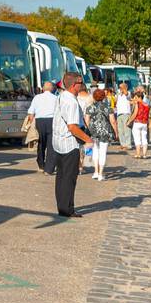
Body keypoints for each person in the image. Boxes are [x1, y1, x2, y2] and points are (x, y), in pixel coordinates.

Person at [49, 72, 92, 217]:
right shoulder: (72, 102)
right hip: (69, 143)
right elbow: (73, 127)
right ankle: (68, 208)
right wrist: (88, 139)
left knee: (61, 177)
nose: (82, 85)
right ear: (74, 85)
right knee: (69, 178)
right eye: (80, 82)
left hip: (59, 142)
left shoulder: (61, 96)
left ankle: (62, 206)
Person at [26, 81, 58, 174]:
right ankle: (49, 168)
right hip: (52, 121)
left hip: (39, 121)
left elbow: (31, 112)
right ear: (52, 89)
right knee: (51, 145)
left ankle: (41, 165)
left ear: (43, 89)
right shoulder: (56, 98)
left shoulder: (37, 97)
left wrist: (33, 123)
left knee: (40, 143)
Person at [86, 88, 117, 181]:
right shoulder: (108, 108)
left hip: (93, 131)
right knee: (103, 152)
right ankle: (101, 173)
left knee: (95, 151)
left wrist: (87, 131)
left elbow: (87, 121)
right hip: (105, 131)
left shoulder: (89, 108)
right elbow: (113, 121)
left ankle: (95, 171)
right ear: (104, 97)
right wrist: (116, 132)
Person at [131, 90, 150, 157]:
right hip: (144, 123)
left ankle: (138, 154)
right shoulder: (147, 104)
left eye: (136, 97)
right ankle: (144, 154)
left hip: (137, 122)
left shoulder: (138, 104)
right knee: (144, 138)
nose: (135, 98)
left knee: (137, 138)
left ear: (139, 97)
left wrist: (129, 121)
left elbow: (135, 113)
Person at [114, 84, 133, 153]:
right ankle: (122, 144)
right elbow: (116, 101)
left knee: (126, 129)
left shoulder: (128, 93)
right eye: (120, 87)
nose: (120, 88)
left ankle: (128, 144)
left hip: (126, 113)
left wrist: (124, 90)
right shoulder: (118, 94)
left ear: (125, 87)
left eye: (121, 87)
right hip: (119, 113)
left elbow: (128, 96)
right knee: (120, 130)